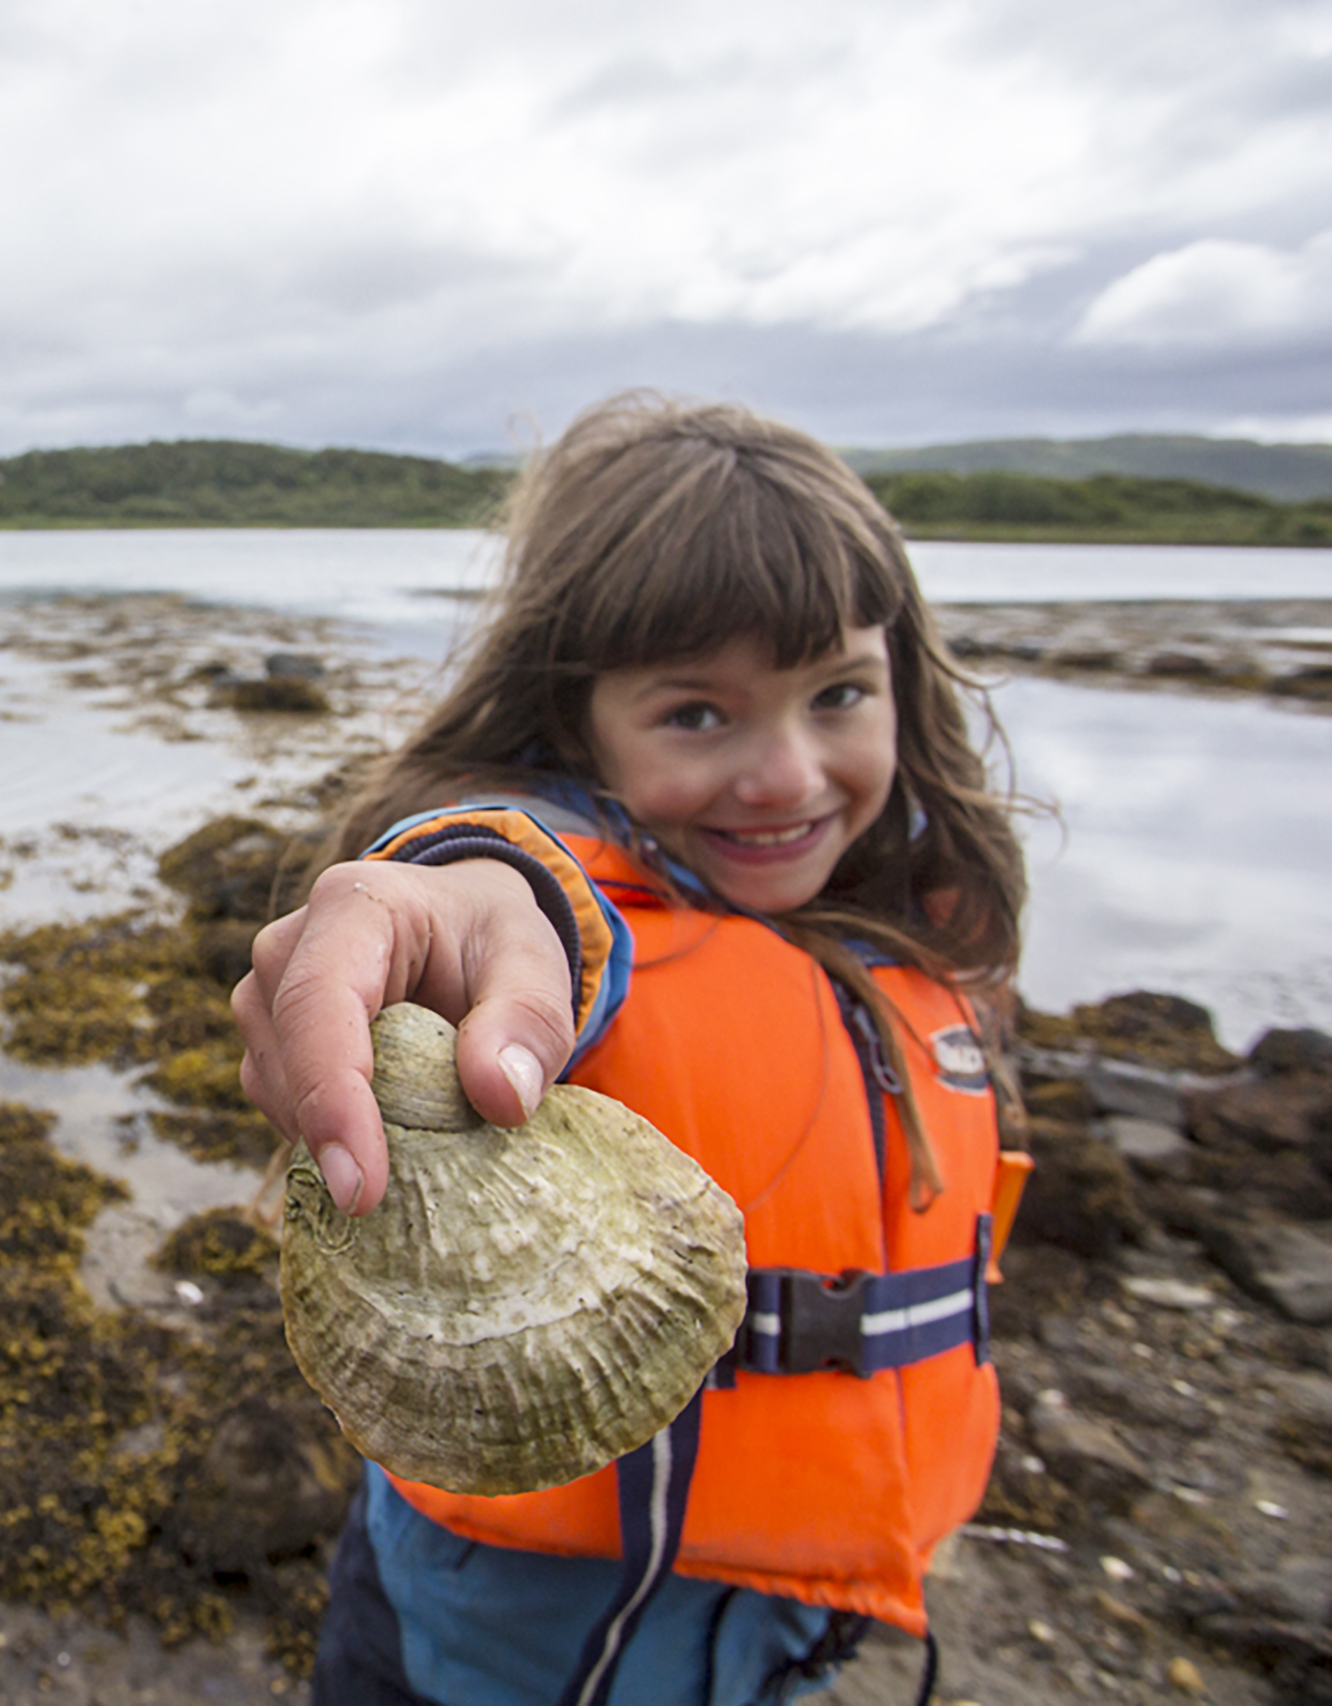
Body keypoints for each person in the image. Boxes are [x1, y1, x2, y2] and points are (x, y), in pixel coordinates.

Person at [232, 394, 1029, 1706]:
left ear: (905, 683)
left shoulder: (916, 945)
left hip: (784, 1638)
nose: (784, 775)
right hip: (472, 1663)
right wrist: (444, 897)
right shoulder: (572, 928)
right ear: (574, 723)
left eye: (838, 693)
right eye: (697, 716)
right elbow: (514, 896)